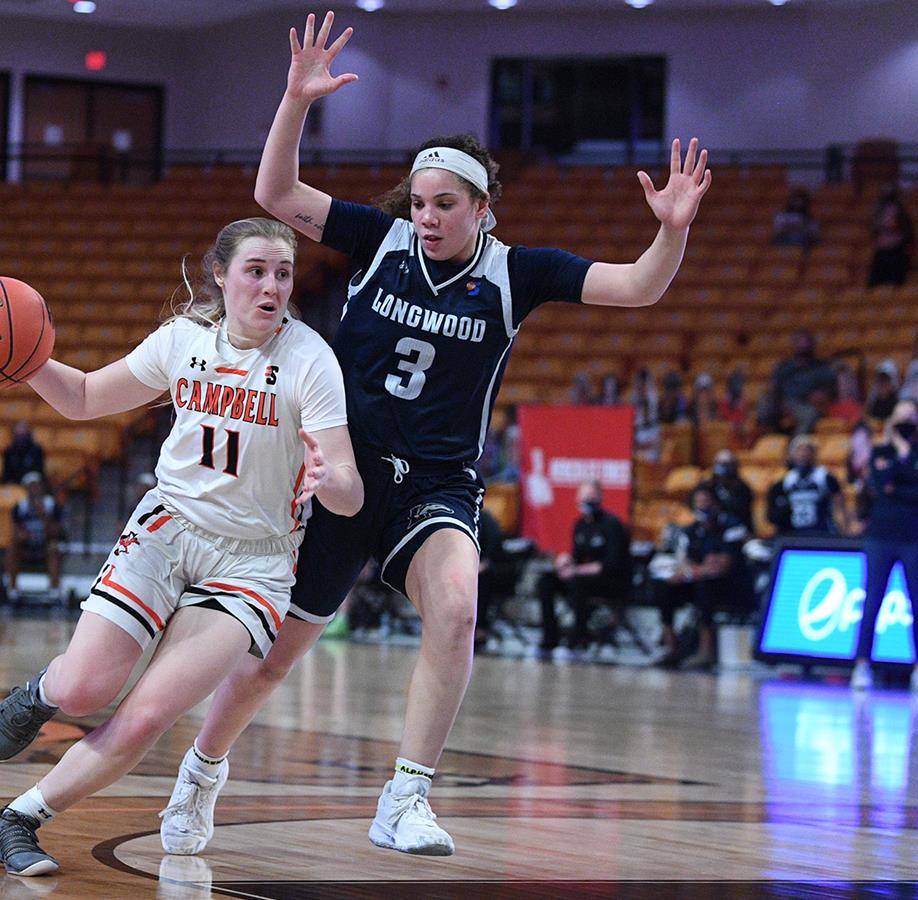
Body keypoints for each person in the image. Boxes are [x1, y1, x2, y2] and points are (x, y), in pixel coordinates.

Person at [159, 11, 712, 859]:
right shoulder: (378, 240)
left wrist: (670, 229)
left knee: (457, 605)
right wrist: (296, 99)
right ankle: (200, 773)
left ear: (483, 209)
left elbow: (638, 287)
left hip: (436, 482)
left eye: (444, 206)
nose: (425, 217)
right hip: (339, 473)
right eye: (418, 203)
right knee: (273, 660)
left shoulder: (516, 272)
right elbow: (274, 195)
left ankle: (405, 798)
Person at [0, 217, 361, 877]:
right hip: (169, 530)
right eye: (256, 271)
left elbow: (350, 491)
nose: (271, 287)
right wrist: (28, 361)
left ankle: (20, 818)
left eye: (283, 273)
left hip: (255, 562)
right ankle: (45, 690)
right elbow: (87, 396)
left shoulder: (310, 359)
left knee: (150, 711)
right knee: (88, 685)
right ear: (221, 274)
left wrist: (333, 482)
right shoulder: (183, 341)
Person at [851, 399, 918, 694]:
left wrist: (898, 482)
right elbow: (880, 484)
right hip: (881, 536)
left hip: (916, 538)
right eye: (900, 417)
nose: (905, 423)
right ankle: (862, 665)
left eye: (910, 417)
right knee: (872, 600)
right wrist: (901, 463)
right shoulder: (880, 453)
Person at [653, 484, 753, 670]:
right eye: (698, 503)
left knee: (705, 587)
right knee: (664, 586)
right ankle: (672, 646)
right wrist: (697, 569)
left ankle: (706, 652)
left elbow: (723, 567)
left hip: (732, 585)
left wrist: (698, 569)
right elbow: (686, 563)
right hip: (701, 578)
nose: (702, 507)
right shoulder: (691, 531)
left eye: (706, 502)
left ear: (716, 504)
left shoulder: (732, 527)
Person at [535, 480, 631, 654]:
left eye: (591, 497)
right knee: (546, 581)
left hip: (610, 581)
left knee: (578, 583)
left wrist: (576, 571)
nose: (587, 502)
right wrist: (565, 561)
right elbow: (577, 557)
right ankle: (550, 637)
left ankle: (580, 637)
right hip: (582, 576)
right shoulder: (580, 524)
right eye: (584, 498)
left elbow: (611, 564)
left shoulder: (612, 524)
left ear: (600, 497)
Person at [766, 436, 848, 537]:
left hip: (821, 533)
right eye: (799, 450)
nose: (803, 454)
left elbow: (839, 505)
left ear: (814, 453)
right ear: (791, 454)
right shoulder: (784, 482)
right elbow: (773, 514)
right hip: (793, 534)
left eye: (807, 450)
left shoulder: (825, 478)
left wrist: (842, 529)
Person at [757, 330, 834, 435]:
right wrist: (781, 403)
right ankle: (769, 439)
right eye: (799, 341)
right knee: (764, 403)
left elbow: (827, 390)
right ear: (794, 344)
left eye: (806, 341)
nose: (803, 345)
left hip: (806, 404)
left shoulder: (821, 367)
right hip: (783, 402)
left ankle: (796, 445)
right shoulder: (784, 366)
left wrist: (820, 397)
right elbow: (775, 387)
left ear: (812, 344)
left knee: (809, 415)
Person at [6, 472, 65, 600]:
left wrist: (43, 514)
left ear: (42, 487)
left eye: (36, 486)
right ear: (26, 488)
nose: (34, 489)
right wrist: (22, 535)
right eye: (31, 486)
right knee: (12, 547)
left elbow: (57, 532)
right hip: (27, 544)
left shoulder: (52, 505)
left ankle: (54, 593)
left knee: (54, 548)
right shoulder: (20, 507)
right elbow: (14, 530)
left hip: (45, 543)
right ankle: (12, 592)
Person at [867, 188, 914, 287]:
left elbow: (907, 233)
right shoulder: (878, 212)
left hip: (896, 253)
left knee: (895, 284)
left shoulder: (902, 214)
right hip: (882, 253)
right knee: (874, 285)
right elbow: (874, 229)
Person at [700, 448, 754, 526]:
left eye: (726, 464)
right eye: (719, 463)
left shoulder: (743, 488)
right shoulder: (707, 486)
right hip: (712, 529)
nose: (722, 467)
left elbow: (741, 511)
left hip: (737, 527)